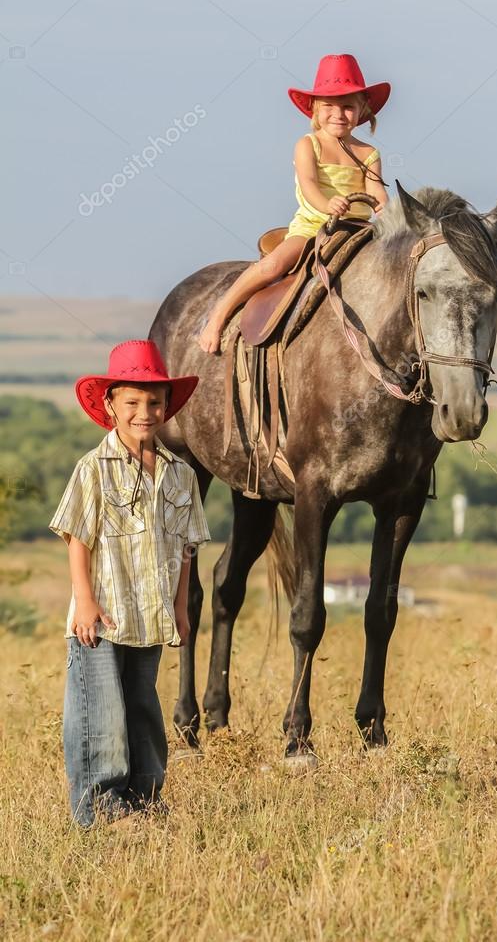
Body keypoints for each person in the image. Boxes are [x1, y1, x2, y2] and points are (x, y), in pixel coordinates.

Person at [50, 339, 210, 828]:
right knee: (100, 715)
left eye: (155, 402)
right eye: (133, 402)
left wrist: (181, 609)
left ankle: (144, 798)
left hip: (151, 613)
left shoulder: (180, 476)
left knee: (142, 708)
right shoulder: (93, 469)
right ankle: (101, 807)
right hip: (103, 615)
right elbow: (78, 536)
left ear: (167, 406)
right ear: (111, 405)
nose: (145, 412)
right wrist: (85, 602)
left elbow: (186, 549)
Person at [197, 53, 391, 353]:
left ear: (361, 109)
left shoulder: (368, 153)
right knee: (274, 265)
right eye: (329, 106)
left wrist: (383, 204)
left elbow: (375, 187)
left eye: (348, 106)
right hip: (315, 227)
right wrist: (328, 205)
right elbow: (309, 185)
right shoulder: (308, 145)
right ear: (315, 108)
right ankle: (219, 315)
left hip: (358, 231)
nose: (338, 114)